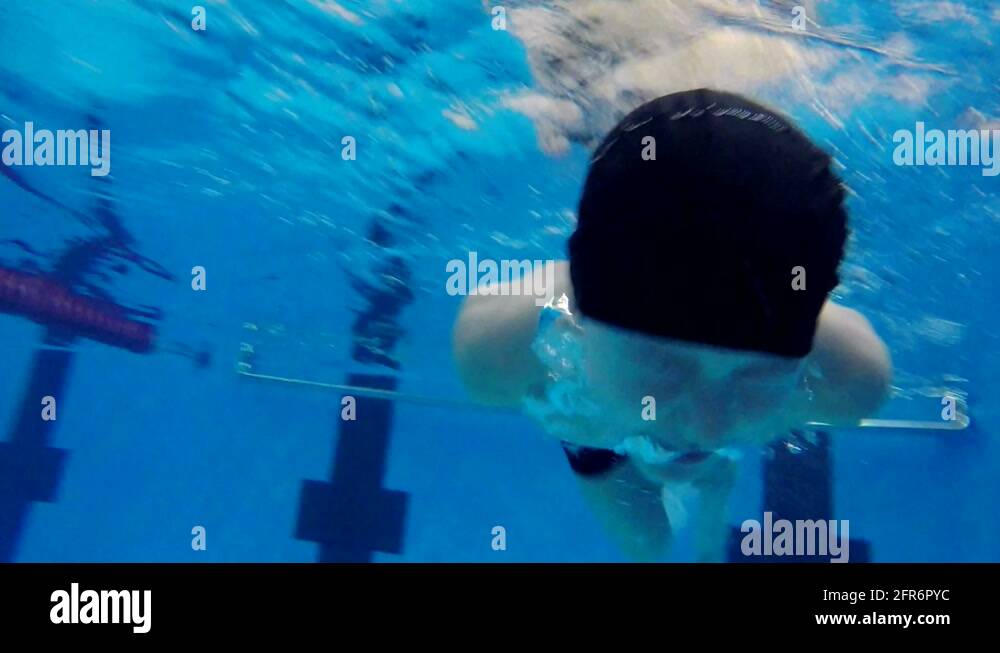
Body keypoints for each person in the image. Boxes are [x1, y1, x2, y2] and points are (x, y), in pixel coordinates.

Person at [452, 89, 891, 561]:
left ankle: (713, 480)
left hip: (610, 380)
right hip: (593, 413)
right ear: (576, 317)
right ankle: (715, 467)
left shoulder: (850, 379)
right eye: (663, 367)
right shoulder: (499, 351)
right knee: (647, 547)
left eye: (755, 377)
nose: (708, 426)